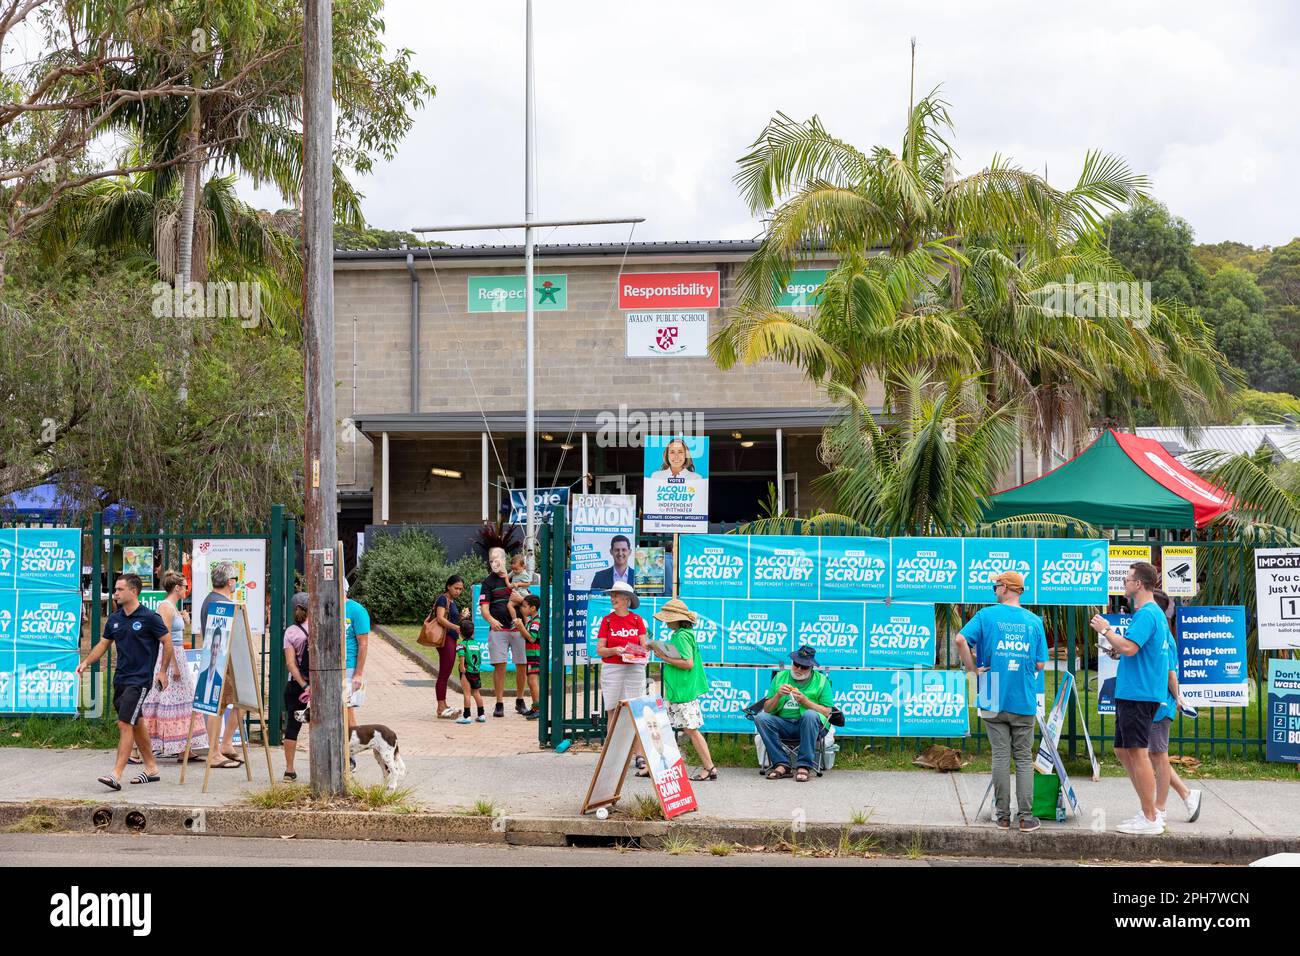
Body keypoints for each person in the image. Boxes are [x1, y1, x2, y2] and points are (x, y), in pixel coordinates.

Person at [955, 571, 1049, 831]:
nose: (993, 590)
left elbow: (960, 639)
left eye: (995, 585)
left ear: (1006, 587)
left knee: (999, 755)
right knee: (1022, 757)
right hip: (1023, 694)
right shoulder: (1034, 621)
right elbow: (1041, 663)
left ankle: (1002, 815)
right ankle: (1026, 817)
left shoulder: (986, 615)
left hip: (991, 691)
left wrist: (972, 668)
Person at [1090, 561, 1170, 835]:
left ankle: (1150, 817)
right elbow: (1132, 650)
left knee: (1138, 752)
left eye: (1127, 579)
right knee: (1123, 750)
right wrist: (1116, 648)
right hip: (1133, 691)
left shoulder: (1147, 613)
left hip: (1139, 692)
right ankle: (1148, 809)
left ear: (1139, 584)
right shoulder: (1149, 614)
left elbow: (1130, 648)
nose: (1124, 583)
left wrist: (1106, 630)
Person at [77, 574, 175, 790]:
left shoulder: (150, 617)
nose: (116, 593)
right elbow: (103, 645)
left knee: (125, 723)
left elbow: (167, 642)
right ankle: (151, 768)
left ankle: (116, 774)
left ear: (133, 591)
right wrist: (86, 662)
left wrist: (163, 671)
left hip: (139, 681)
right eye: (116, 589)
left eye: (120, 589)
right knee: (137, 723)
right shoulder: (115, 619)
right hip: (120, 679)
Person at [1141, 591, 1203, 826]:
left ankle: (1161, 807)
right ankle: (1187, 795)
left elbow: (1170, 673)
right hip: (1155, 702)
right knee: (1153, 755)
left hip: (1161, 703)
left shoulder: (1163, 636)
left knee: (1158, 755)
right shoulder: (1161, 632)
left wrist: (1177, 697)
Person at [139, 570, 207, 761]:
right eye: (185, 586)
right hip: (170, 656)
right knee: (162, 699)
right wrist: (174, 666)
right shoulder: (166, 607)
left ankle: (183, 747)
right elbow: (166, 638)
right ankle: (141, 747)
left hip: (178, 654)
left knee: (181, 699)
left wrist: (185, 619)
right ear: (177, 588)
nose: (187, 589)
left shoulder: (175, 607)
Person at [653, 597, 716, 781]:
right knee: (685, 729)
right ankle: (665, 765)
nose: (665, 622)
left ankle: (709, 767)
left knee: (691, 730)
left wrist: (663, 657)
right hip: (681, 690)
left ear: (676, 619)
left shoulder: (681, 636)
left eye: (668, 618)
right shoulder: (683, 634)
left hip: (683, 691)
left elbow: (687, 663)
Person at [756, 645, 835, 783]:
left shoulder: (822, 681)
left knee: (810, 715)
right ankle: (781, 764)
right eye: (796, 664)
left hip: (810, 727)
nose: (798, 669)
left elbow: (828, 711)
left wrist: (806, 702)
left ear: (811, 667)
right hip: (783, 724)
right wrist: (778, 695)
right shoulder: (780, 677)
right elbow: (767, 709)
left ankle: (804, 766)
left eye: (803, 666)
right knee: (761, 718)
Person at [595, 581, 649, 768]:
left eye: (616, 595)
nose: (612, 598)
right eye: (612, 595)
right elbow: (600, 650)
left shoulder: (637, 620)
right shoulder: (607, 620)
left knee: (636, 711)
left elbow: (644, 645)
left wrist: (638, 651)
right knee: (612, 710)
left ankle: (639, 754)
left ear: (627, 599)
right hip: (613, 668)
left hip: (634, 669)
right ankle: (612, 755)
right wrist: (614, 650)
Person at [199, 562, 242, 768]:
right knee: (218, 706)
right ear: (229, 582)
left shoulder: (210, 600)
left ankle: (224, 744)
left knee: (235, 702)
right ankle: (216, 751)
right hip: (223, 661)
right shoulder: (222, 603)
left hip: (219, 660)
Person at [480, 547, 528, 717]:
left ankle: (520, 700)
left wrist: (521, 600)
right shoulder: (487, 583)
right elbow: (484, 609)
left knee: (522, 665)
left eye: (497, 559)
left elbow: (529, 605)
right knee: (499, 666)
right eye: (491, 560)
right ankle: (499, 703)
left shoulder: (516, 577)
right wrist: (492, 621)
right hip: (498, 631)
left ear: (504, 560)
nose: (495, 562)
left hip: (519, 629)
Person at [281, 592, 310, 781]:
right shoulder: (320, 627)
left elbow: (290, 663)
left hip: (297, 687)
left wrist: (304, 685)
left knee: (292, 728)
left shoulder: (290, 632)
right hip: (321, 685)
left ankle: (289, 770)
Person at [432, 575, 468, 719]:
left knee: (446, 673)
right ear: (448, 586)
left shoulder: (451, 601)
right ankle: (440, 707)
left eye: (460, 589)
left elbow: (450, 619)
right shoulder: (443, 599)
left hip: (451, 638)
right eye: (456, 588)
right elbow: (440, 618)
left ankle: (444, 704)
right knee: (444, 673)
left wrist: (461, 617)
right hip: (445, 639)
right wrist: (457, 627)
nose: (458, 591)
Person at [516, 594, 543, 719]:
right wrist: (521, 628)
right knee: (530, 681)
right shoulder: (531, 621)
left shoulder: (536, 621)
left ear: (533, 608)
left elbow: (532, 638)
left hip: (535, 655)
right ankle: (535, 707)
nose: (522, 608)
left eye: (525, 606)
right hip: (530, 655)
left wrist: (521, 627)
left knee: (533, 682)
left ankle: (539, 709)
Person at [455, 628, 488, 724]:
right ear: (473, 632)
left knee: (467, 693)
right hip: (476, 671)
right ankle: (481, 715)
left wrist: (462, 666)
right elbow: (480, 658)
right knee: (477, 693)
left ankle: (466, 716)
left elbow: (461, 655)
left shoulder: (461, 645)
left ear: (460, 633)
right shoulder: (476, 644)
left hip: (466, 671)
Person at [506, 552, 534, 626]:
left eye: (516, 569)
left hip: (522, 594)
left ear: (523, 567)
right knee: (509, 605)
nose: (514, 571)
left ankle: (527, 623)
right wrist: (508, 584)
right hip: (515, 594)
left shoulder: (524, 574)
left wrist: (518, 584)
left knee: (523, 609)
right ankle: (515, 621)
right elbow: (506, 576)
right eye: (513, 569)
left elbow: (528, 584)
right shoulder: (514, 572)